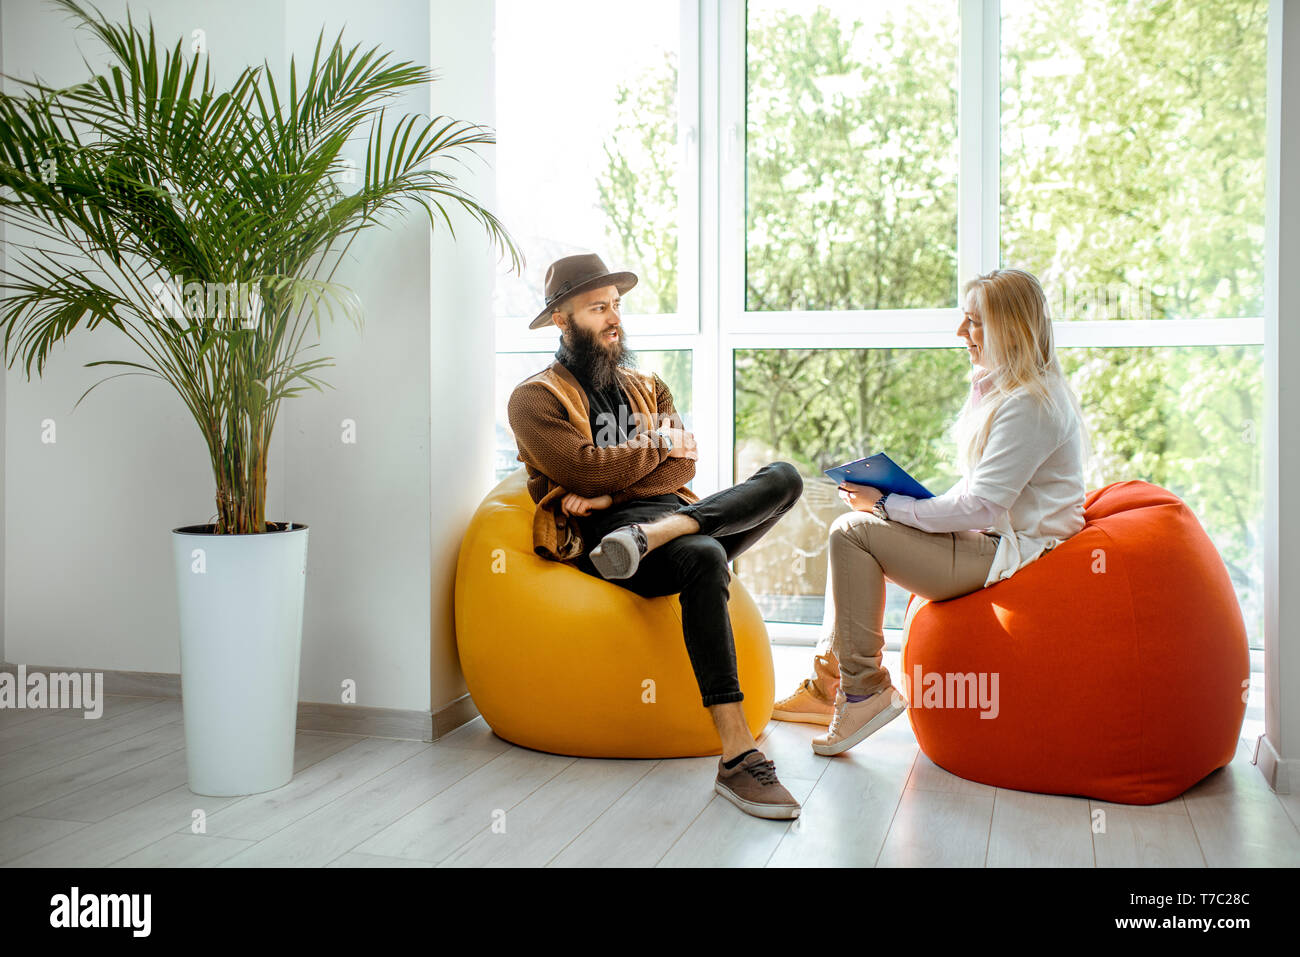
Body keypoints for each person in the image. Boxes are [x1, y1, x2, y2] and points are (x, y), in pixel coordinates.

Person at [507, 252, 806, 820]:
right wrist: (621, 486)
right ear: (562, 321)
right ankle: (739, 755)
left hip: (670, 518)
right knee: (702, 552)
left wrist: (617, 482)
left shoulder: (649, 385)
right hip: (610, 545)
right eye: (598, 308)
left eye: (616, 305)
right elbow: (586, 470)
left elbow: (682, 472)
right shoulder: (535, 398)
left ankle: (669, 529)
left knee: (785, 478)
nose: (614, 317)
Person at [773, 267, 1089, 757]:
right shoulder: (1006, 391)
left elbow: (981, 505)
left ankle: (864, 691)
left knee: (852, 533)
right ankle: (829, 687)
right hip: (995, 541)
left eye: (973, 322)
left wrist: (886, 503)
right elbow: (979, 490)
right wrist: (897, 504)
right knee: (858, 525)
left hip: (1016, 557)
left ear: (1011, 328)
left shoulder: (1032, 405)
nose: (961, 333)